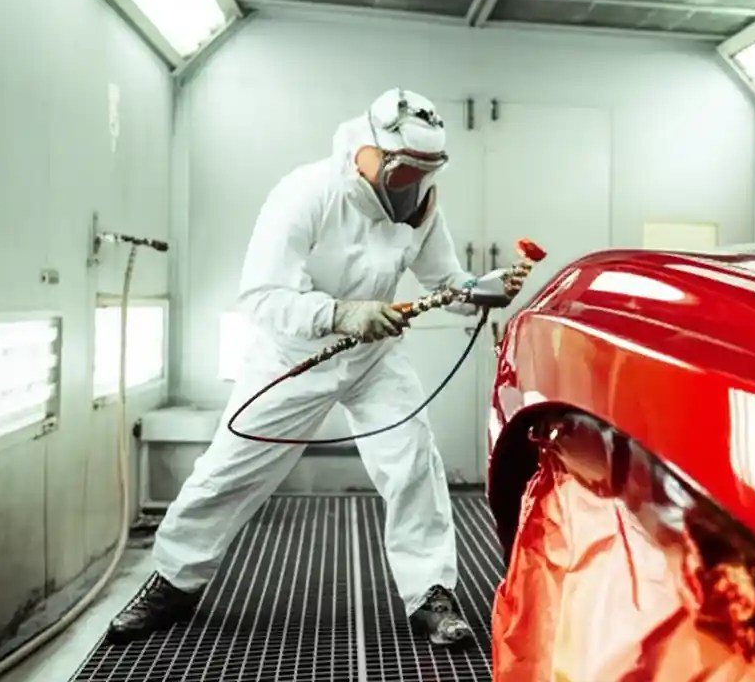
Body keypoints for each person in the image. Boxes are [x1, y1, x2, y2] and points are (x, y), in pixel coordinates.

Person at [106, 88, 520, 647]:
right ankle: (174, 582)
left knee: (413, 463)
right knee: (228, 470)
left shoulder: (420, 208)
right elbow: (260, 296)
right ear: (370, 153)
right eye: (405, 170)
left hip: (373, 358)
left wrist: (484, 289)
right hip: (292, 356)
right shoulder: (307, 193)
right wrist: (340, 313)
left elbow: (445, 281)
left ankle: (429, 594)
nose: (414, 185)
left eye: (427, 171)